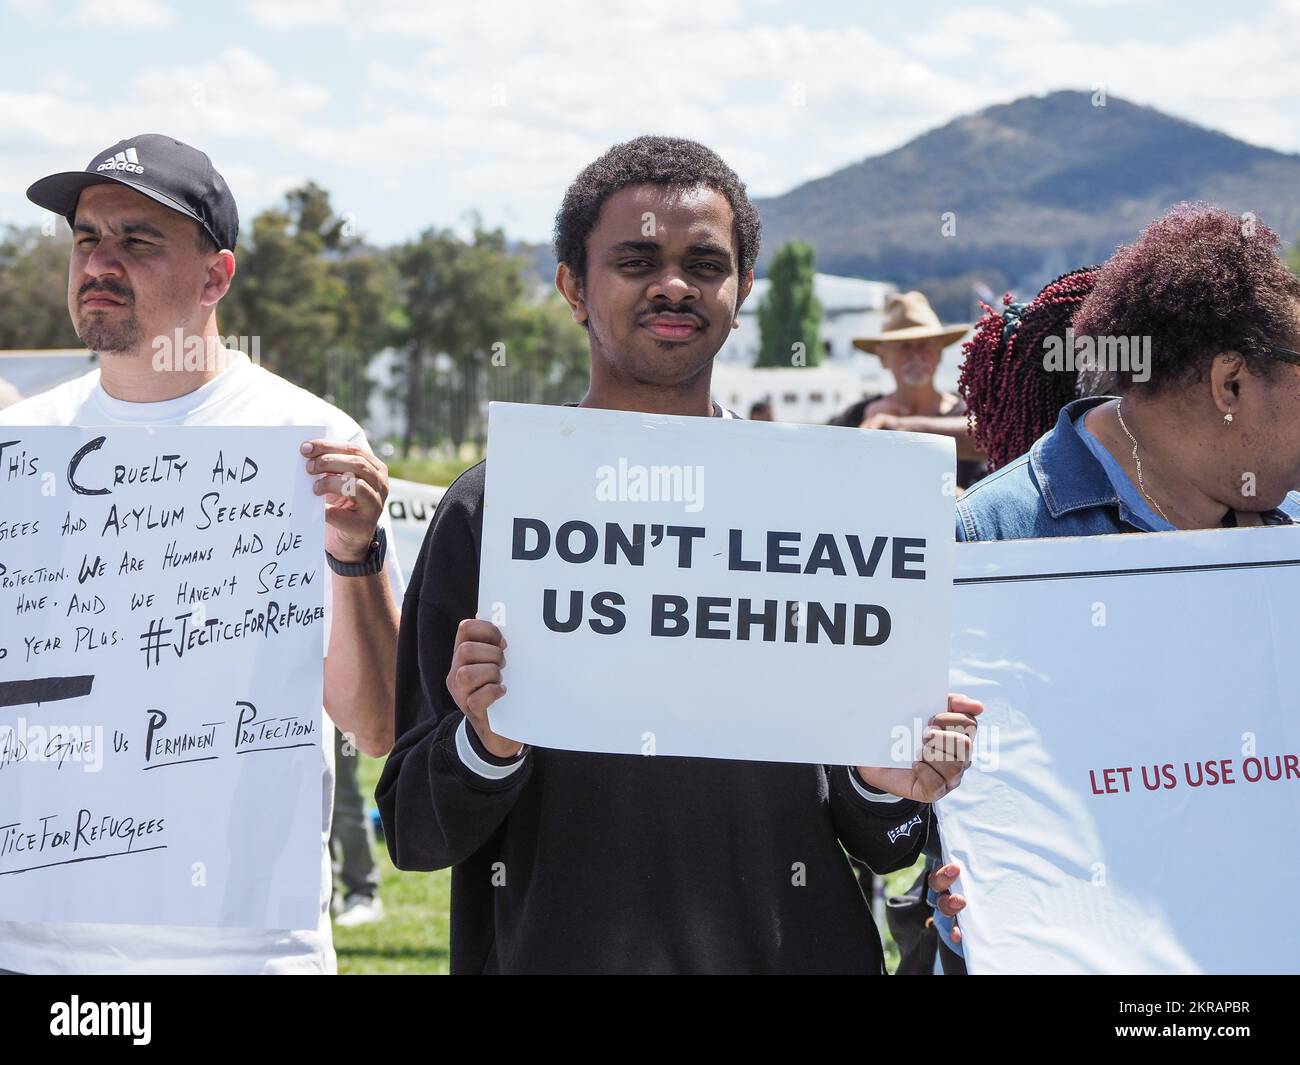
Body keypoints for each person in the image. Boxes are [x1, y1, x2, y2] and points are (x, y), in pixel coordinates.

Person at [378, 135, 983, 974]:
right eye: (636, 259)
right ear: (572, 288)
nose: (673, 284)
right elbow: (413, 829)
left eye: (705, 262)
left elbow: (881, 842)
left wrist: (885, 781)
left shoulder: (823, 510)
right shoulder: (493, 509)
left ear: (740, 293)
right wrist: (486, 740)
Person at [0, 134, 402, 974]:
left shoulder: (313, 447)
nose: (99, 261)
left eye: (137, 240)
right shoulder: (19, 451)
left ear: (217, 276)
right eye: (85, 238)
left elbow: (375, 725)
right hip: (36, 949)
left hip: (245, 951)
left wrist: (355, 556)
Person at [942, 201, 1300, 967]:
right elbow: (933, 793)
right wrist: (963, 877)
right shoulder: (989, 539)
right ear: (1229, 383)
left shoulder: (1288, 527)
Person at [832, 291, 985, 486]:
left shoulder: (969, 416)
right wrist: (862, 435)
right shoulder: (856, 416)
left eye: (925, 345)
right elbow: (832, 474)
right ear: (882, 358)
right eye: (904, 346)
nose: (917, 356)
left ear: (939, 353)